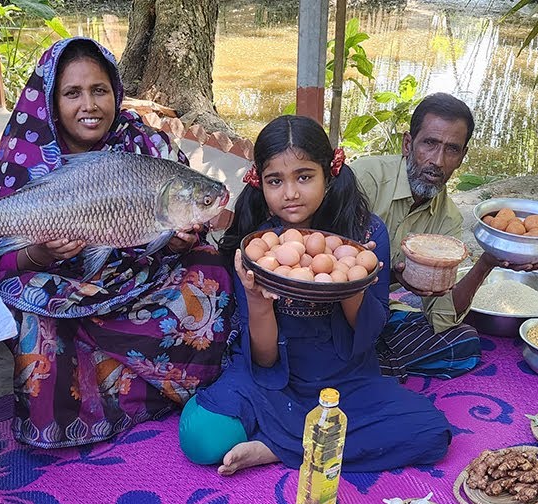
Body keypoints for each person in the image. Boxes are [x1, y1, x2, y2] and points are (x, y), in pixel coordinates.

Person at [0, 38, 233, 449]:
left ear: (115, 92)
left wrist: (178, 244)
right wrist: (39, 252)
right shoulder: (24, 155)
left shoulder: (147, 145)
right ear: (49, 99)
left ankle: (146, 384)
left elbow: (184, 219)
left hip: (137, 276)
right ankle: (97, 395)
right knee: (34, 310)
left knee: (212, 269)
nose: (89, 105)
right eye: (72, 93)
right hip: (61, 285)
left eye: (100, 91)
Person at [179, 115, 450, 476]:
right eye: (276, 181)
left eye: (304, 177)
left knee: (430, 432)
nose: (290, 193)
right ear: (260, 183)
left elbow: (369, 335)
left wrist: (352, 283)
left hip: (345, 381)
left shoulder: (366, 235)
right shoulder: (258, 245)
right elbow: (263, 358)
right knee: (200, 437)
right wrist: (258, 301)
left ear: (329, 174)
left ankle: (278, 447)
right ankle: (317, 440)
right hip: (275, 382)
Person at [350, 93, 538, 379]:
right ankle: (363, 363)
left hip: (374, 316)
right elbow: (327, 263)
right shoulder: (365, 180)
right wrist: (394, 277)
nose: (438, 161)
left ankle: (362, 363)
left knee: (463, 344)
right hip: (328, 308)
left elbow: (441, 318)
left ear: (462, 156)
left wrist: (487, 262)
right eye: (429, 144)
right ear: (408, 144)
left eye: (451, 149)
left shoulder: (447, 219)